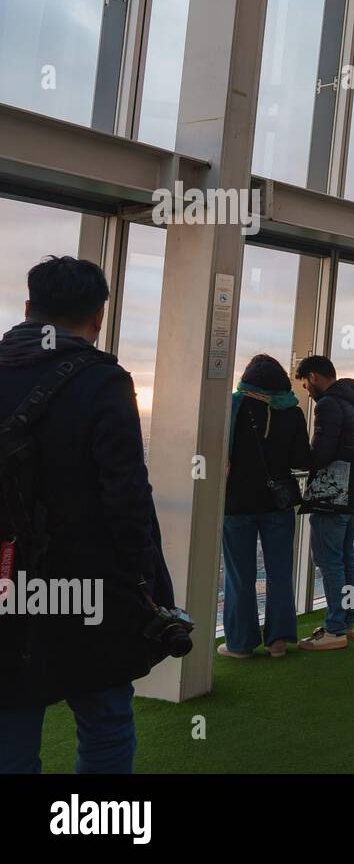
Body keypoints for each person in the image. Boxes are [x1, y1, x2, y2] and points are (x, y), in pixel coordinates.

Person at [0, 256, 179, 773]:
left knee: (10, 723)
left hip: (8, 581)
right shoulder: (104, 383)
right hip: (89, 584)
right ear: (98, 317)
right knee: (104, 720)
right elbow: (126, 499)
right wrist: (143, 581)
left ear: (29, 308)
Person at [220, 354, 312, 659]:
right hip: (277, 503)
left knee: (240, 576)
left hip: (236, 504)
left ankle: (239, 643)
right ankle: (278, 641)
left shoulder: (231, 408)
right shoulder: (292, 413)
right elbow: (301, 459)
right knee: (280, 572)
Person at [295, 355, 354, 650]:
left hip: (331, 492)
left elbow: (321, 453)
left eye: (304, 384)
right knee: (345, 558)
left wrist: (297, 458)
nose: (307, 392)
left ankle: (335, 628)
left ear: (313, 376)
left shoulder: (328, 405)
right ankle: (346, 622)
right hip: (353, 485)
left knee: (329, 560)